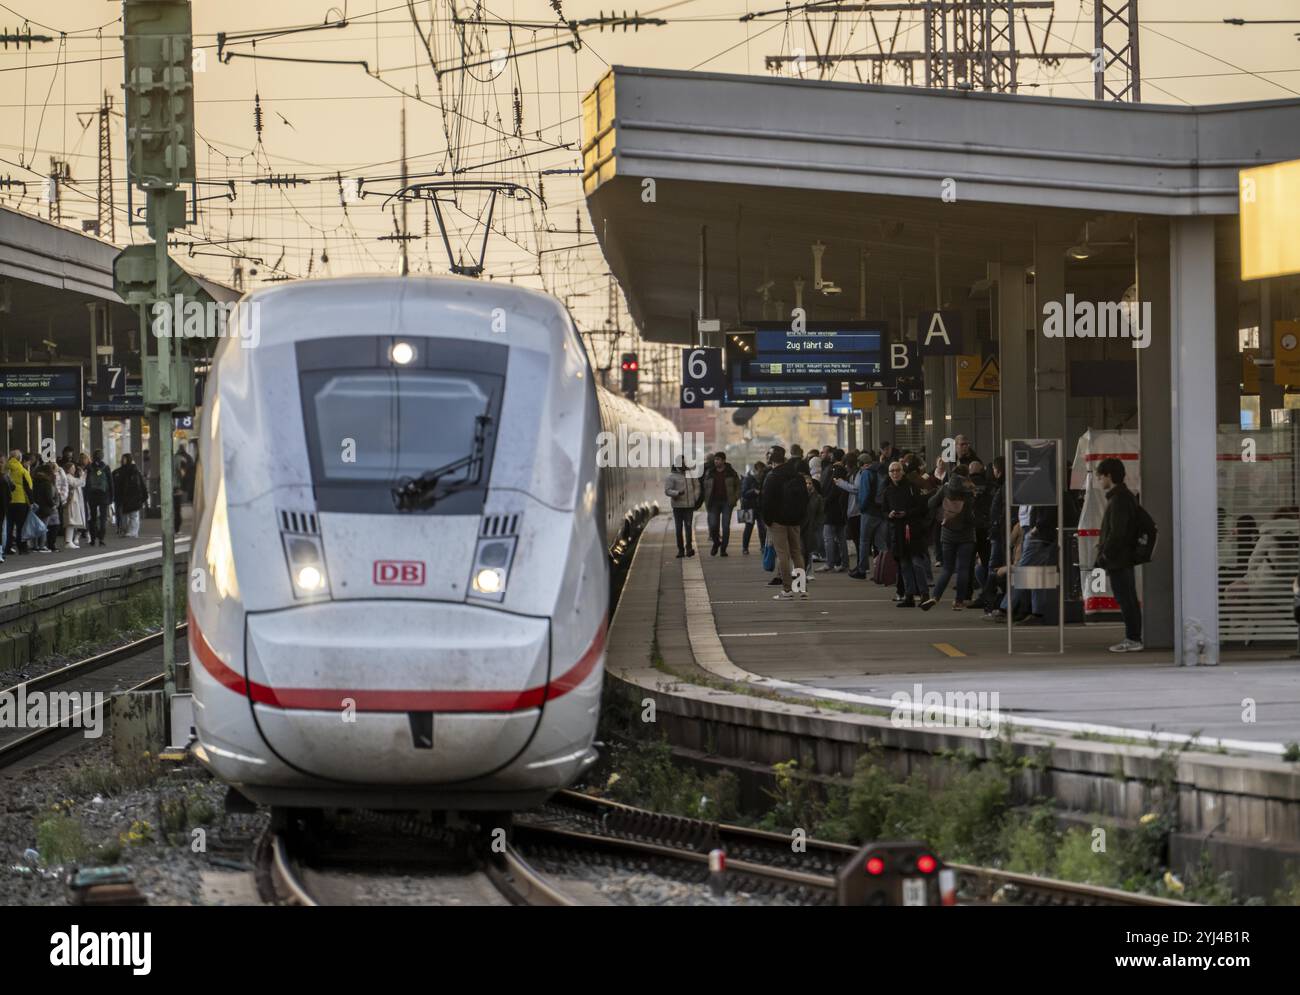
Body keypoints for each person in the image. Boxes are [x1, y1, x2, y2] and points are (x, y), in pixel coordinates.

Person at [1095, 457, 1143, 652]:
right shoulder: (1124, 496)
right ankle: (1134, 637)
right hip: (1124, 557)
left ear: (1109, 476)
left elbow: (1117, 532)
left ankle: (1132, 638)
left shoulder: (1119, 499)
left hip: (1119, 559)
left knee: (1126, 598)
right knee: (1128, 597)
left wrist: (1104, 554)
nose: (1099, 481)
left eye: (1100, 477)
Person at [922, 467, 977, 611]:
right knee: (963, 569)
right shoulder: (969, 491)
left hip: (947, 533)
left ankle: (935, 596)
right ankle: (958, 601)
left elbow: (930, 504)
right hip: (966, 535)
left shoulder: (945, 488)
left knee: (947, 568)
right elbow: (972, 517)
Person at [761, 446, 809, 600]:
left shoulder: (772, 476)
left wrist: (768, 520)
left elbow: (766, 501)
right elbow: (805, 499)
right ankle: (801, 588)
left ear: (771, 460)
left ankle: (787, 589)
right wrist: (800, 517)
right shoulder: (797, 476)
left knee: (782, 554)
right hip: (795, 520)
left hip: (778, 521)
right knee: (797, 552)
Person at [882, 460, 928, 606]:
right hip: (897, 532)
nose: (895, 473)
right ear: (889, 474)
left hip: (912, 530)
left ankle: (924, 594)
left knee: (917, 563)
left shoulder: (912, 487)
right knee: (904, 565)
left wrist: (906, 513)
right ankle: (909, 595)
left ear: (902, 472)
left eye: (897, 470)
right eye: (892, 471)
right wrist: (889, 514)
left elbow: (922, 507)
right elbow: (883, 510)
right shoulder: (887, 491)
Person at [700, 451, 741, 556]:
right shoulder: (710, 472)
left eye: (718, 459)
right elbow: (704, 486)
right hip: (713, 503)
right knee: (713, 525)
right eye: (715, 459)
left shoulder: (731, 472)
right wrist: (705, 498)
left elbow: (738, 486)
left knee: (726, 526)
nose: (716, 461)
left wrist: (735, 498)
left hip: (727, 502)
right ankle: (716, 543)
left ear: (723, 461)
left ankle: (723, 549)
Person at [820, 462, 850, 572]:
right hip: (841, 514)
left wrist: (823, 504)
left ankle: (829, 563)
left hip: (831, 514)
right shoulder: (845, 483)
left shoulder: (835, 483)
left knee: (828, 539)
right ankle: (845, 563)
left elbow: (829, 498)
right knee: (841, 539)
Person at [113, 453, 149, 540]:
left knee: (133, 515)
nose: (122, 460)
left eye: (124, 459)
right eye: (122, 458)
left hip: (133, 497)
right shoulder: (118, 471)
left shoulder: (134, 470)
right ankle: (127, 531)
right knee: (124, 515)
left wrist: (144, 495)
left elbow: (141, 484)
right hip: (123, 497)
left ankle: (133, 532)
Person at [83, 450, 114, 547]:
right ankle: (101, 539)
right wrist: (111, 496)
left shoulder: (89, 468)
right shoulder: (106, 468)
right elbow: (110, 483)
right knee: (103, 518)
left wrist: (85, 495)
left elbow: (86, 482)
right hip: (103, 495)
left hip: (92, 495)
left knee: (93, 517)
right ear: (102, 457)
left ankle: (92, 539)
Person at [5, 449, 33, 556]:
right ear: (19, 458)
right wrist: (31, 501)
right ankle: (22, 548)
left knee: (9, 526)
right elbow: (28, 487)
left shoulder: (5, 469)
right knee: (21, 526)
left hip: (8, 501)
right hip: (21, 501)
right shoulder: (22, 471)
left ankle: (7, 547)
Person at [739, 461, 767, 555]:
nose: (761, 474)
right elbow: (743, 493)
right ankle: (745, 547)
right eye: (760, 472)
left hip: (761, 507)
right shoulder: (748, 479)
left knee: (762, 527)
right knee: (748, 528)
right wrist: (754, 491)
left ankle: (763, 546)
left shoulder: (764, 479)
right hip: (749, 506)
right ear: (755, 470)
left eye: (763, 472)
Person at [62, 457, 86, 549]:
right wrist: (82, 476)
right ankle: (68, 541)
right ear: (68, 469)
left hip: (74, 501)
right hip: (70, 502)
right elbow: (75, 483)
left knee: (72, 522)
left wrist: (82, 476)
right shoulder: (67, 477)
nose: (74, 470)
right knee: (70, 521)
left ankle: (70, 540)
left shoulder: (71, 477)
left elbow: (82, 483)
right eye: (72, 468)